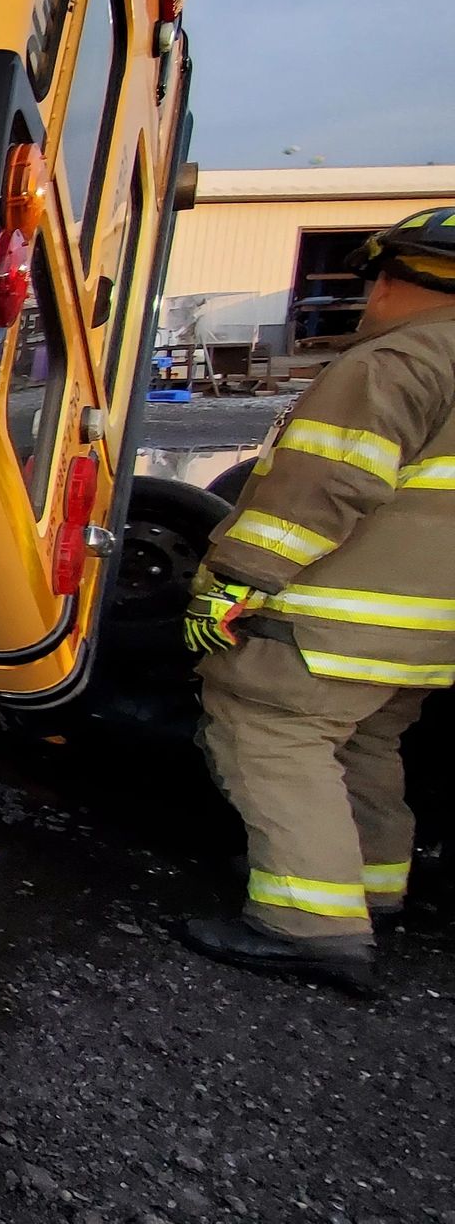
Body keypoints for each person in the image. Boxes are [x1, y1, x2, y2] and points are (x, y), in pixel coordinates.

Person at [181, 208, 455, 993]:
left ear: (408, 281)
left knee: (272, 736)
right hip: (427, 632)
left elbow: (319, 488)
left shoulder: (397, 363)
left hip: (340, 620)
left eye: (378, 278)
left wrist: (232, 584)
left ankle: (310, 922)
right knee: (364, 745)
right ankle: (368, 885)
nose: (369, 295)